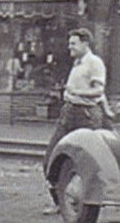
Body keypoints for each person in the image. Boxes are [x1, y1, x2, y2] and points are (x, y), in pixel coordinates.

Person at [44, 27, 113, 181]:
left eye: (73, 43)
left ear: (85, 44)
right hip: (68, 113)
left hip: (86, 115)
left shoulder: (95, 63)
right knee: (52, 156)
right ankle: (59, 199)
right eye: (69, 43)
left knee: (86, 159)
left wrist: (77, 92)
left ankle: (80, 200)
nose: (69, 47)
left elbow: (98, 91)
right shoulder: (77, 63)